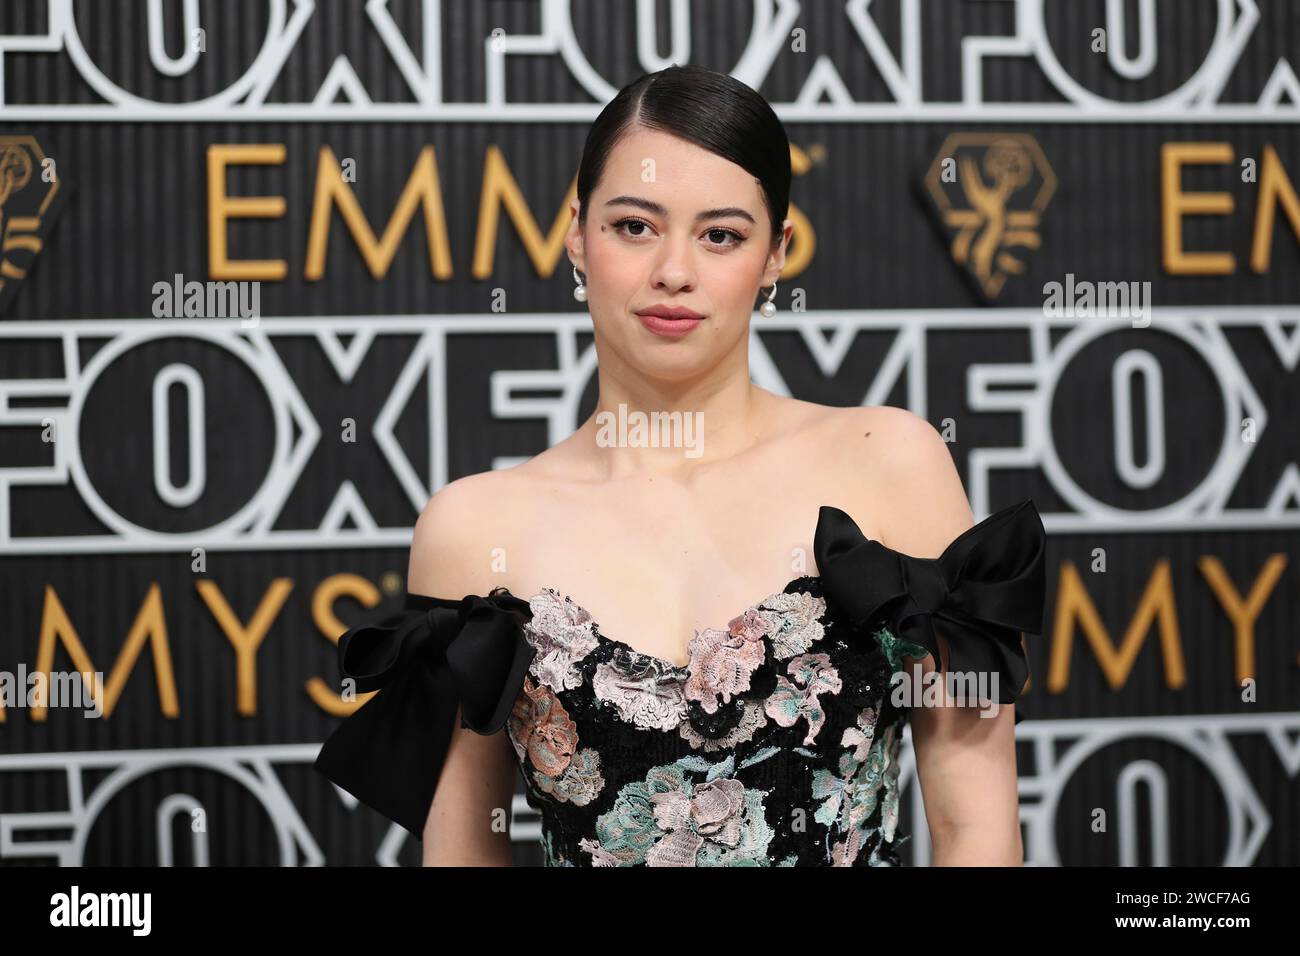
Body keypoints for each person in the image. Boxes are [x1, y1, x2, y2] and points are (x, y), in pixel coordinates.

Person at [314, 63, 1047, 867]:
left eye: (722, 235)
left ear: (777, 254)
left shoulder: (890, 465)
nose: (674, 271)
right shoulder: (472, 528)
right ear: (575, 233)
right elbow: (464, 858)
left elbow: (976, 831)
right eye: (634, 225)